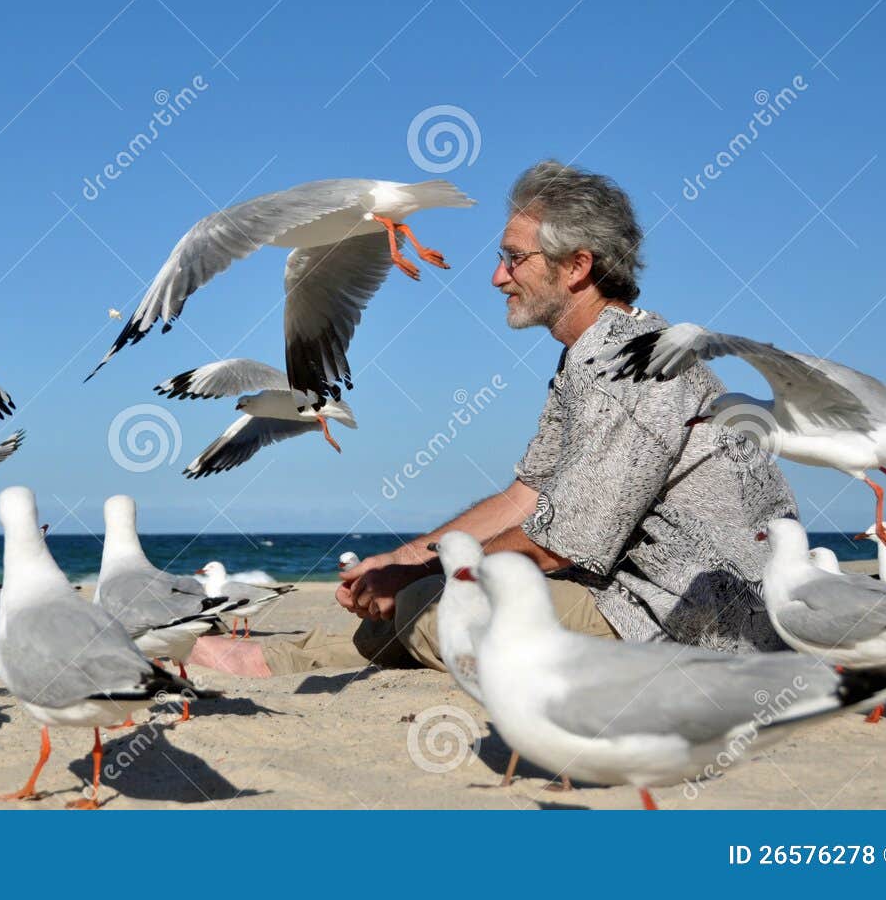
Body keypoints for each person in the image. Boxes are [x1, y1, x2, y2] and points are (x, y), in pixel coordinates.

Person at [190, 161, 799, 679]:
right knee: (411, 602)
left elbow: (561, 545)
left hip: (689, 627)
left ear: (576, 266)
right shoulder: (589, 356)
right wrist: (398, 559)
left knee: (432, 605)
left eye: (513, 258)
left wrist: (423, 571)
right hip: (635, 597)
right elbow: (525, 497)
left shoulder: (631, 366)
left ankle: (276, 662)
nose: (496, 276)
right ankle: (285, 659)